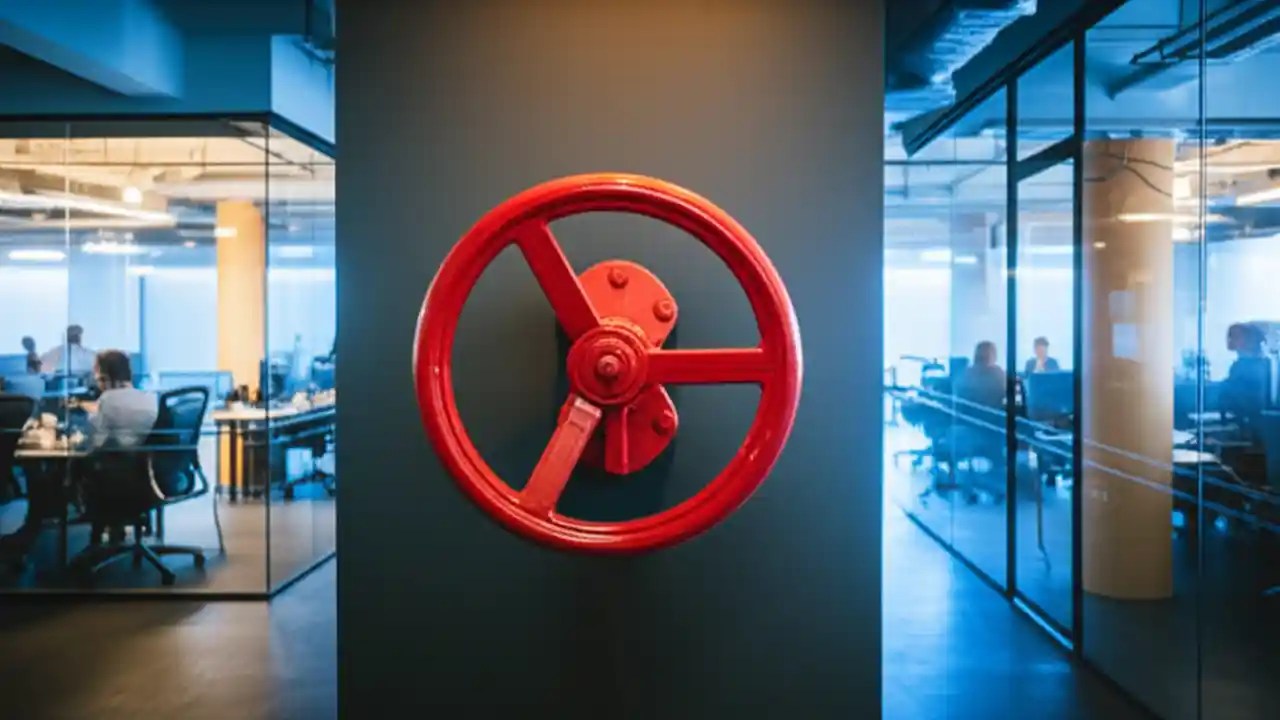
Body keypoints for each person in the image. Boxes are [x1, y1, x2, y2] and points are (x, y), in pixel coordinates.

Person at [83, 350, 157, 450]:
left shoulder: (108, 399)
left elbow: (95, 440)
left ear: (103, 378)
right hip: (143, 456)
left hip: (117, 456)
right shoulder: (151, 398)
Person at [1221, 323, 1270, 438]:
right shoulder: (1239, 365)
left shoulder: (1258, 366)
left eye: (1235, 336)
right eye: (1230, 336)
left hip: (1253, 425)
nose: (1230, 340)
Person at [956, 340, 1006, 409]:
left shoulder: (1000, 375)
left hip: (988, 413)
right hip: (982, 413)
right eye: (981, 357)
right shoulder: (966, 375)